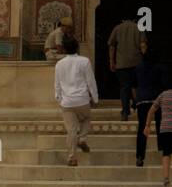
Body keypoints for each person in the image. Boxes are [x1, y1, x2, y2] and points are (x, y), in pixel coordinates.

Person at [53, 36, 97, 166]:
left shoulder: (59, 64)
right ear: (77, 48)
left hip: (67, 101)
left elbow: (57, 84)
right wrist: (95, 98)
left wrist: (59, 99)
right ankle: (82, 138)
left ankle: (72, 157)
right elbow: (91, 81)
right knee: (86, 119)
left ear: (64, 49)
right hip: (82, 99)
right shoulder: (85, 61)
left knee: (71, 130)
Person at [133, 37, 166, 167]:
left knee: (142, 127)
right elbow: (163, 84)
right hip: (156, 100)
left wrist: (136, 100)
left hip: (142, 100)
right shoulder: (159, 68)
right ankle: (162, 152)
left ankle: (140, 157)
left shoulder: (138, 68)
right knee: (160, 126)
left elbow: (133, 85)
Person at [107, 12, 143, 121]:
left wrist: (112, 61)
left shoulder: (117, 28)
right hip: (137, 63)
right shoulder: (139, 28)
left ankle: (125, 112)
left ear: (122, 19)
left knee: (124, 87)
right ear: (134, 19)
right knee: (137, 86)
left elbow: (112, 46)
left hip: (122, 64)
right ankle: (139, 108)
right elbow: (143, 45)